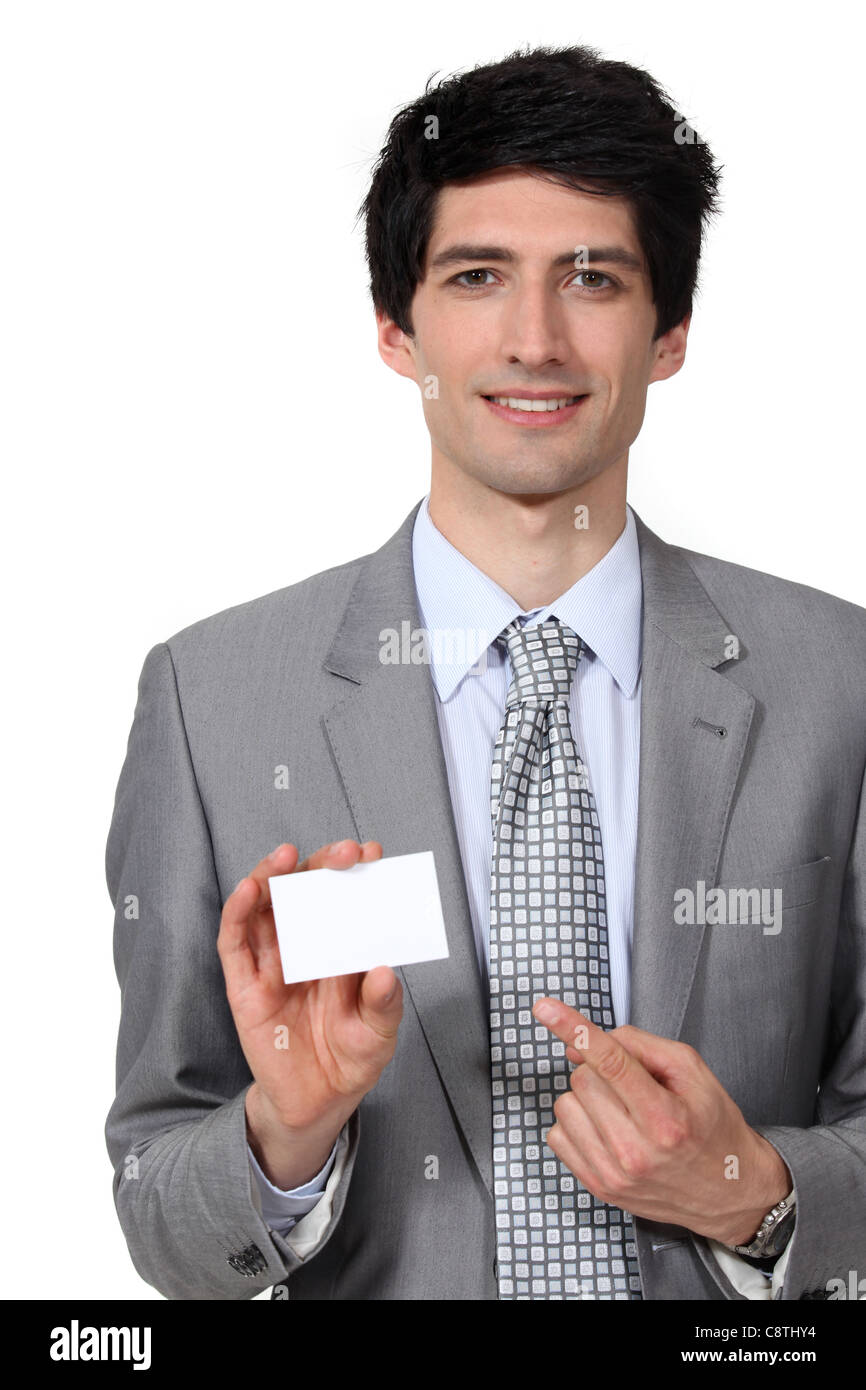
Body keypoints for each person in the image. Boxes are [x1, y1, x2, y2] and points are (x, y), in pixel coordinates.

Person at [104, 44, 866, 1301]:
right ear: (398, 330)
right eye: (475, 277)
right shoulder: (211, 699)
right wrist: (285, 1135)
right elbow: (156, 1205)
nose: (533, 337)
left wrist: (751, 1190)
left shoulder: (839, 678)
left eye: (591, 278)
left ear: (668, 331)